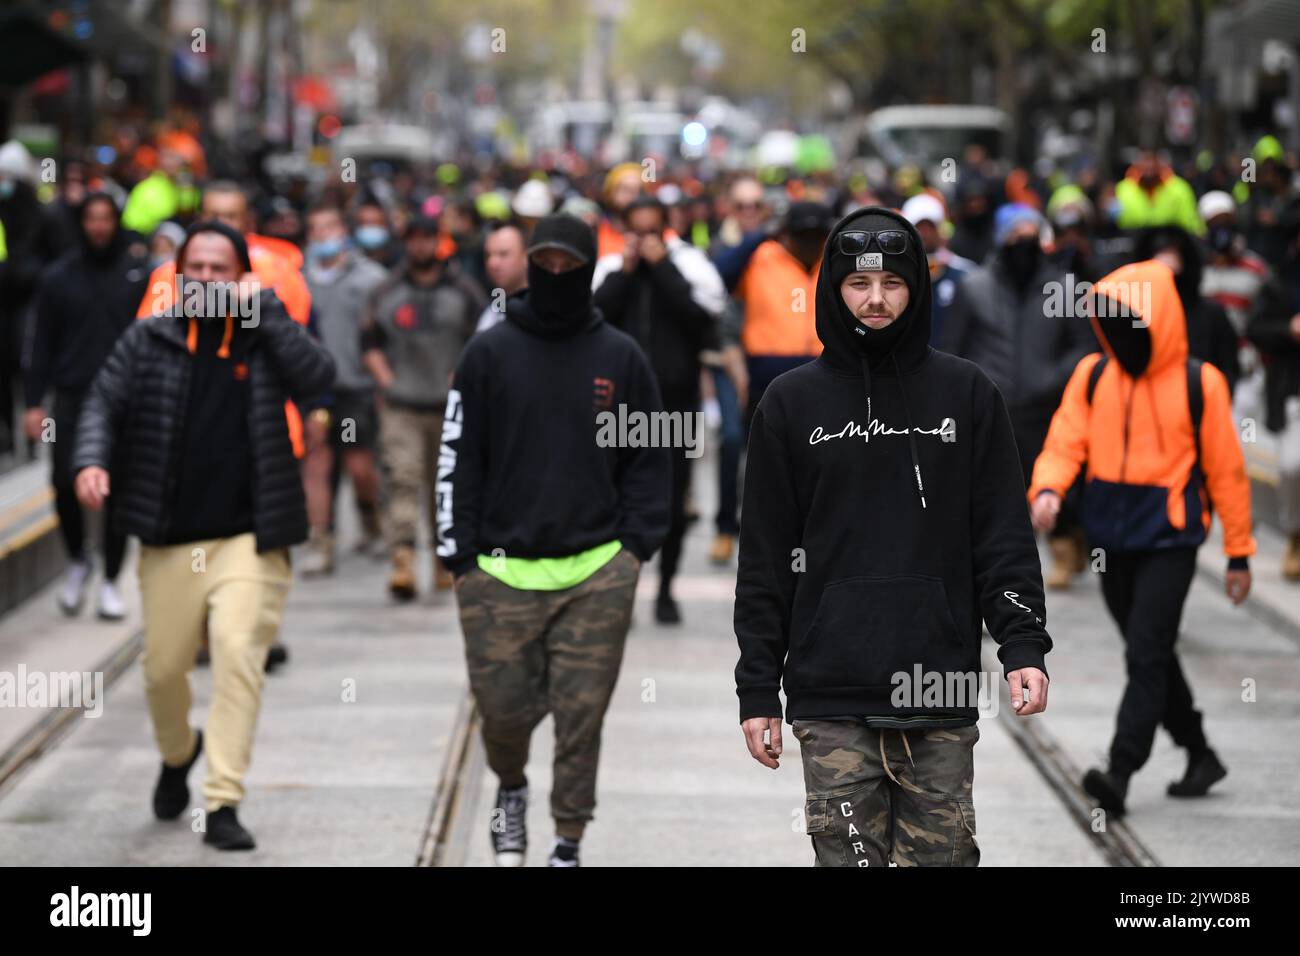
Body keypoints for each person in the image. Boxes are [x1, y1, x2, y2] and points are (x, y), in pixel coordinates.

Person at [735, 206, 1052, 867]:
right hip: (831, 697)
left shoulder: (967, 396)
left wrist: (1022, 644)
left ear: (916, 288)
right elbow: (765, 561)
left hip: (938, 694)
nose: (876, 299)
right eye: (857, 284)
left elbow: (1002, 536)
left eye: (893, 284)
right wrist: (758, 687)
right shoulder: (790, 405)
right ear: (833, 289)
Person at [72, 221, 335, 849]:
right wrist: (90, 460)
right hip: (169, 540)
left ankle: (222, 800)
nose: (210, 280)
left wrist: (265, 313)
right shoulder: (148, 338)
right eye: (199, 269)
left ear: (243, 277)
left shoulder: (264, 336)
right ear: (179, 276)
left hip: (251, 535)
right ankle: (176, 752)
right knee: (164, 671)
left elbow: (321, 379)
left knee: (238, 652)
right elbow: (102, 403)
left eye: (223, 269)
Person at [438, 213, 670, 866]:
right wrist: (459, 554)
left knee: (581, 717)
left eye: (571, 264)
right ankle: (510, 789)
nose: (558, 275)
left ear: (590, 270)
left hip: (597, 570)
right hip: (498, 572)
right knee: (503, 713)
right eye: (547, 263)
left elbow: (651, 457)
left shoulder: (619, 356)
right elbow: (458, 454)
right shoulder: (489, 352)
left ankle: (568, 838)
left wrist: (634, 548)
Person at [1029, 259, 1255, 817]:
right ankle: (1200, 752)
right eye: (1111, 321)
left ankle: (1121, 770)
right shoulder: (1094, 374)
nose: (1121, 334)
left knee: (1146, 652)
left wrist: (1239, 553)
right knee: (1148, 652)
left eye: (1131, 321)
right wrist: (1048, 489)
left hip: (1171, 539)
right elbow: (1065, 439)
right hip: (1109, 537)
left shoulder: (1201, 383)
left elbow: (1227, 472)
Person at [941, 204, 1097, 589]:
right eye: (1014, 236)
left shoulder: (1065, 287)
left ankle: (1062, 548)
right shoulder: (974, 287)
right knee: (991, 495)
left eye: (1029, 235)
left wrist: (1052, 378)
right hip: (992, 410)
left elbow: (1084, 346)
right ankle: (993, 569)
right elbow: (952, 349)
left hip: (1049, 409)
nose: (1021, 244)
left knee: (1055, 480)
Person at [592, 195, 726, 623]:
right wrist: (628, 271)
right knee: (615, 500)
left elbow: (701, 318)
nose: (644, 240)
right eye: (637, 231)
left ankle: (666, 587)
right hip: (621, 408)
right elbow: (594, 315)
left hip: (675, 404)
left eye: (653, 231)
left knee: (672, 502)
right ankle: (621, 589)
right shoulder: (613, 268)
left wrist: (663, 268)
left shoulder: (688, 265)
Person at [23, 193, 149, 618]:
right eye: (91, 219)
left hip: (126, 399)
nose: (99, 227)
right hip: (73, 397)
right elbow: (40, 343)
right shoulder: (59, 277)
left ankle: (112, 579)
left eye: (106, 218)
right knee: (63, 480)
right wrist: (34, 402)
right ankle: (79, 558)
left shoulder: (136, 273)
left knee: (120, 488)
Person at [361, 214, 484, 600]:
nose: (419, 247)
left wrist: (462, 374)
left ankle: (442, 560)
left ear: (438, 242)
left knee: (442, 486)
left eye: (426, 238)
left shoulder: (463, 291)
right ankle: (403, 560)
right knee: (402, 477)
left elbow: (483, 337)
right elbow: (368, 341)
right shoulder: (387, 291)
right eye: (412, 239)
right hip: (402, 404)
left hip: (448, 406)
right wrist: (385, 379)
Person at [299, 203, 389, 573]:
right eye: (317, 228)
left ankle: (370, 520)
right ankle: (322, 541)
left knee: (359, 464)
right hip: (314, 387)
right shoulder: (298, 278)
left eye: (331, 226)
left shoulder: (369, 279)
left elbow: (384, 335)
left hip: (356, 386)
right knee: (317, 462)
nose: (325, 235)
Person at [1247, 227, 1300, 581]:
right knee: (1292, 466)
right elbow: (1256, 328)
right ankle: (1296, 536)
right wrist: (1290, 330)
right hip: (1291, 389)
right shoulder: (1279, 282)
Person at [900, 192, 974, 347]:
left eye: (930, 226)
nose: (925, 233)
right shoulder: (895, 275)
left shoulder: (966, 273)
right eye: (918, 227)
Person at [1114, 149, 1203, 235]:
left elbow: (1191, 224)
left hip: (1170, 244)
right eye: (1145, 160)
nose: (1149, 166)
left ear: (1160, 164)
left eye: (1152, 160)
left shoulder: (1179, 188)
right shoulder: (1121, 190)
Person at [475, 221, 529, 333]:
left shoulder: (541, 313)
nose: (492, 263)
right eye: (488, 255)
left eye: (503, 254)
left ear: (526, 257)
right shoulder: (492, 311)